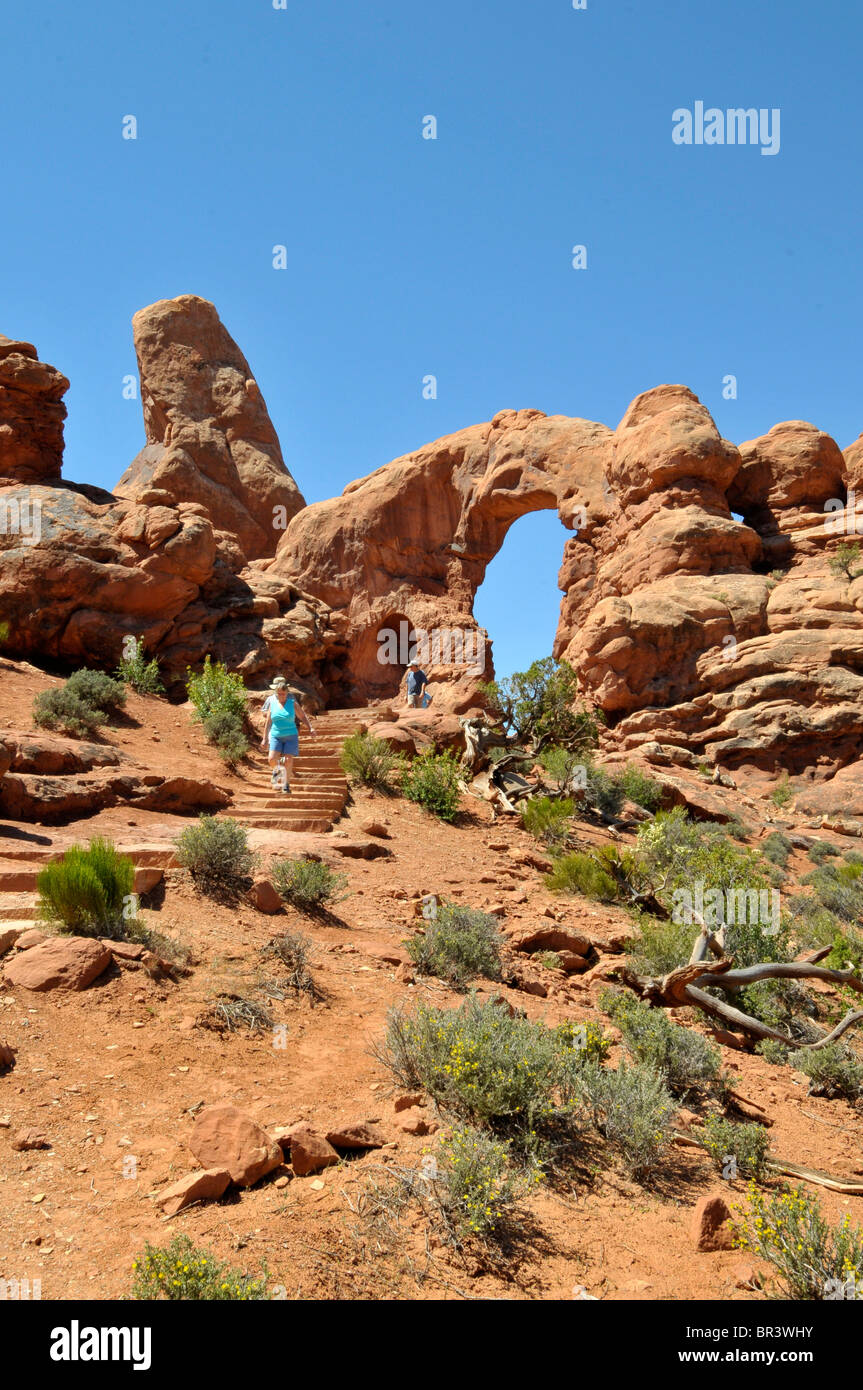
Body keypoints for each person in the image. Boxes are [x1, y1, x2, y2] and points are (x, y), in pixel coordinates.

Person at [260, 677, 316, 793]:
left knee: (288, 759)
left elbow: (302, 715)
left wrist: (310, 728)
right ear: (275, 691)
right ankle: (277, 770)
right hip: (275, 732)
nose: (281, 695)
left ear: (286, 691)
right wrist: (264, 738)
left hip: (291, 733)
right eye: (279, 693)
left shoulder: (292, 700)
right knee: (271, 759)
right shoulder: (271, 700)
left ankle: (286, 785)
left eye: (283, 693)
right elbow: (267, 720)